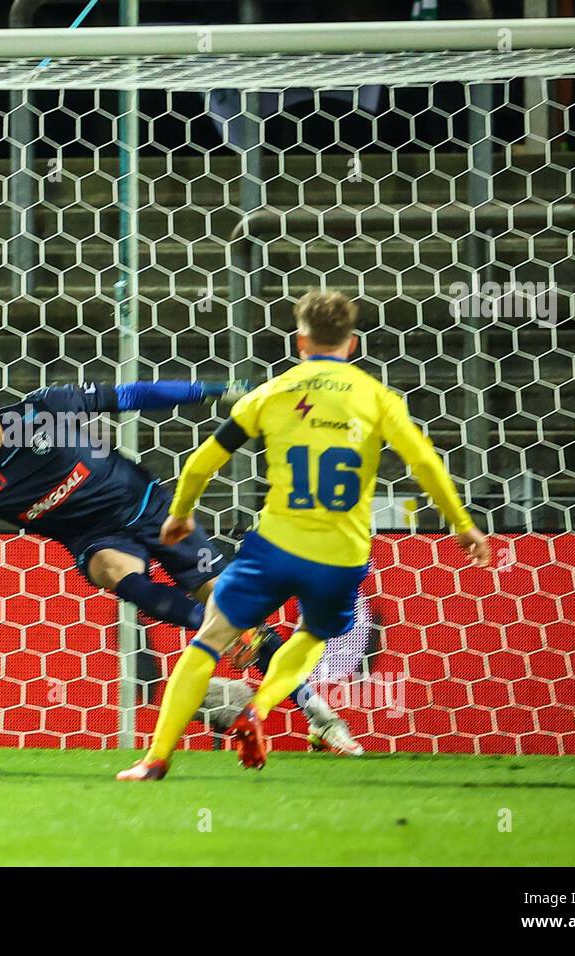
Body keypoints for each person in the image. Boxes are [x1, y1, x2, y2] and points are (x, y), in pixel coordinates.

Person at [0, 374, 361, 750]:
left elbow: (130, 396)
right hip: (96, 539)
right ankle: (226, 648)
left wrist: (213, 393)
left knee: (223, 604)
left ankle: (312, 710)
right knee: (114, 570)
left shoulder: (46, 410)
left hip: (153, 507)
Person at [118, 289, 491, 781]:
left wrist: (181, 514)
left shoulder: (273, 392)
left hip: (274, 548)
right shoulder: (377, 398)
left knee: (208, 641)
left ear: (300, 341)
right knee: (314, 634)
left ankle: (155, 759)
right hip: (341, 556)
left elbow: (202, 462)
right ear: (352, 344)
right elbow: (423, 461)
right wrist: (461, 525)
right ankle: (262, 708)